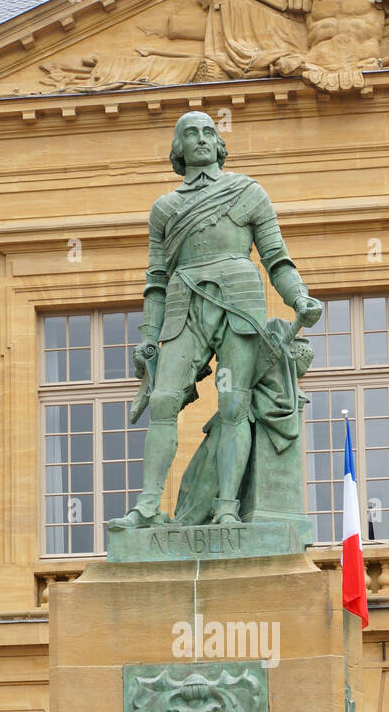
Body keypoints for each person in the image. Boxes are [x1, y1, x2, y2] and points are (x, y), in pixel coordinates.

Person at [108, 110, 321, 531]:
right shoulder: (165, 208)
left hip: (240, 304)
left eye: (209, 131)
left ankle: (226, 507)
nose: (202, 139)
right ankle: (148, 507)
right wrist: (148, 336)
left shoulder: (248, 192)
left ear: (219, 144)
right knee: (164, 399)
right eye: (191, 133)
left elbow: (277, 260)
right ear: (179, 148)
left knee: (233, 403)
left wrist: (299, 297)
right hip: (184, 302)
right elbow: (156, 280)